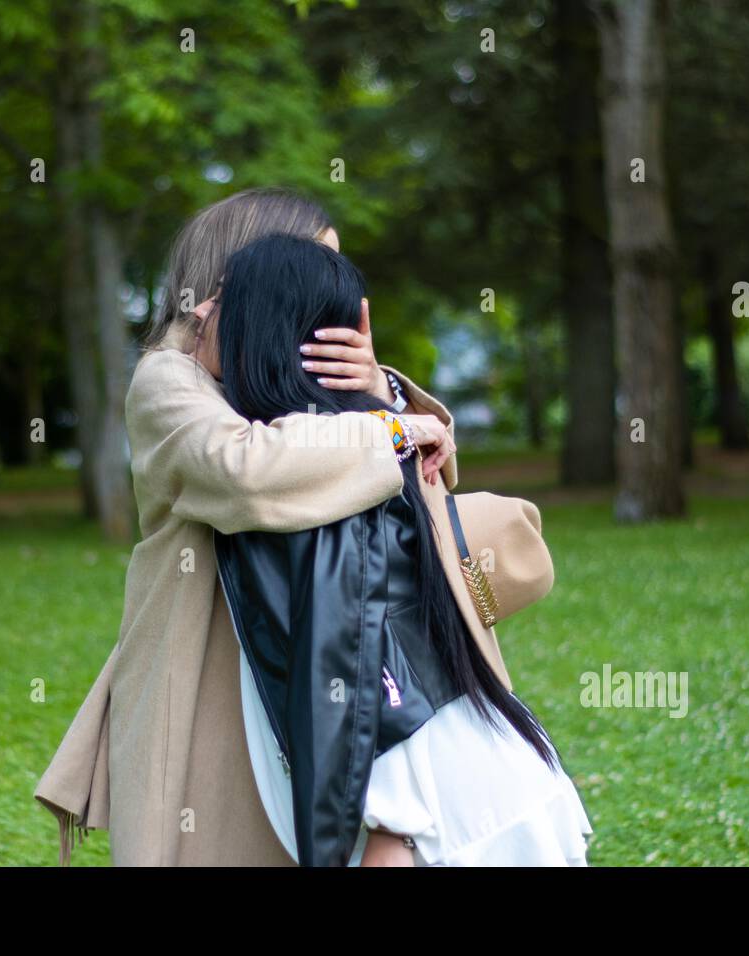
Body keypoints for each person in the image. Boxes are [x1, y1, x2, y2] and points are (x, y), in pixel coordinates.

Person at [34, 187, 461, 865]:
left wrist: (379, 393)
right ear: (242, 272)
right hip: (211, 667)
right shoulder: (168, 379)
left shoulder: (295, 365)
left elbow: (421, 475)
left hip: (320, 652)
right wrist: (389, 427)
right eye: (310, 271)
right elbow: (246, 472)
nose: (328, 301)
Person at [208, 232, 593, 866]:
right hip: (500, 775)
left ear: (258, 325)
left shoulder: (312, 473)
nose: (204, 312)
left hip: (452, 813)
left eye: (225, 300)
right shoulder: (370, 449)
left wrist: (393, 826)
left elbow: (362, 673)